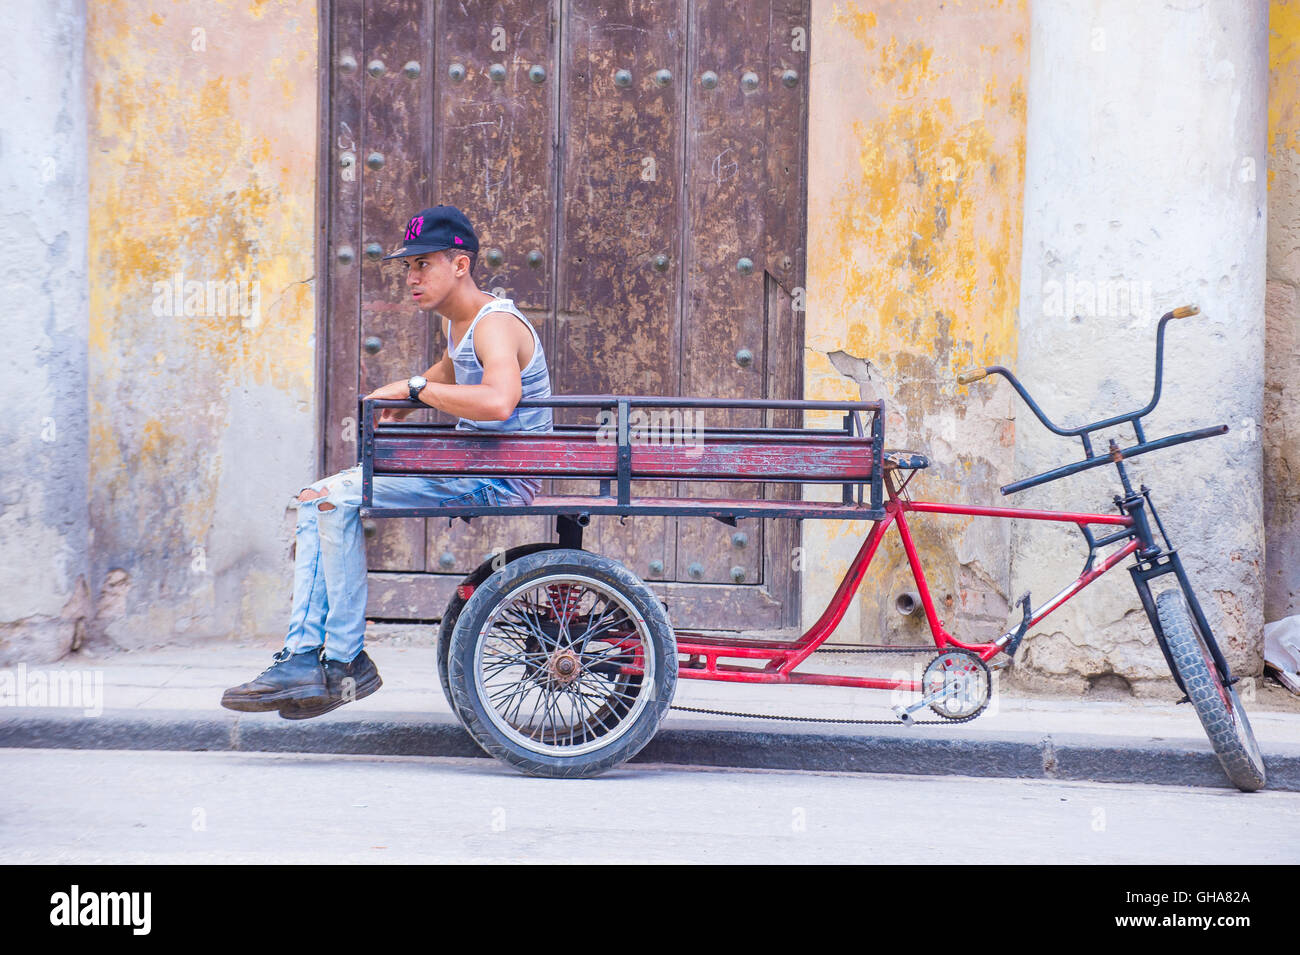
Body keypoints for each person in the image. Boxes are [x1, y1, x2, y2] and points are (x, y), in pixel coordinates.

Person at [221, 205, 553, 719]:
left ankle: (339, 659)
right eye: (407, 267)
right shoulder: (463, 324)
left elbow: (498, 402)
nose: (411, 277)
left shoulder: (494, 325)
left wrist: (420, 389)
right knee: (318, 500)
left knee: (328, 500)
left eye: (423, 264)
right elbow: (448, 371)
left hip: (497, 477)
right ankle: (314, 657)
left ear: (459, 264)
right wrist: (402, 395)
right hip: (477, 466)